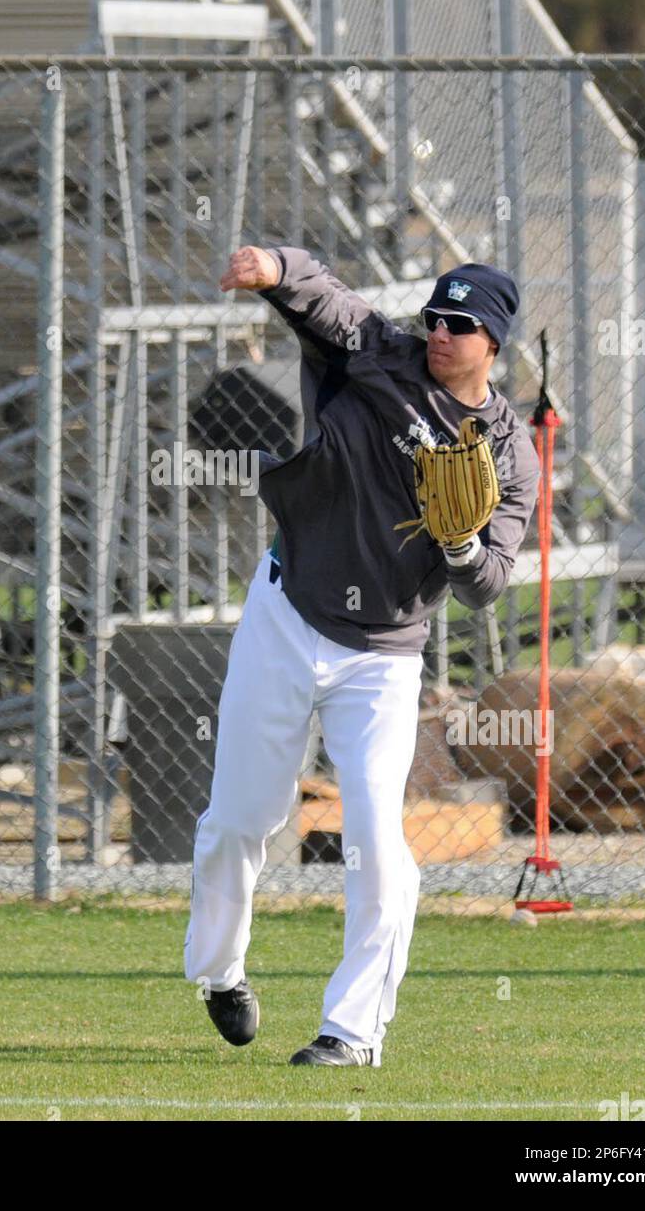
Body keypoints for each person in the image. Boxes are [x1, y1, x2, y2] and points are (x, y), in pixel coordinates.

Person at [183, 244, 541, 1066]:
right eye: (436, 317)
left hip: (382, 655)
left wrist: (456, 544)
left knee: (379, 842)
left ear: (494, 343)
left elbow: (487, 583)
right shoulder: (378, 354)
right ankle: (220, 972)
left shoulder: (508, 452)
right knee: (241, 819)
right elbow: (321, 297)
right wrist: (271, 266)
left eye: (461, 325)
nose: (440, 333)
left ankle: (351, 1032)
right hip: (287, 611)